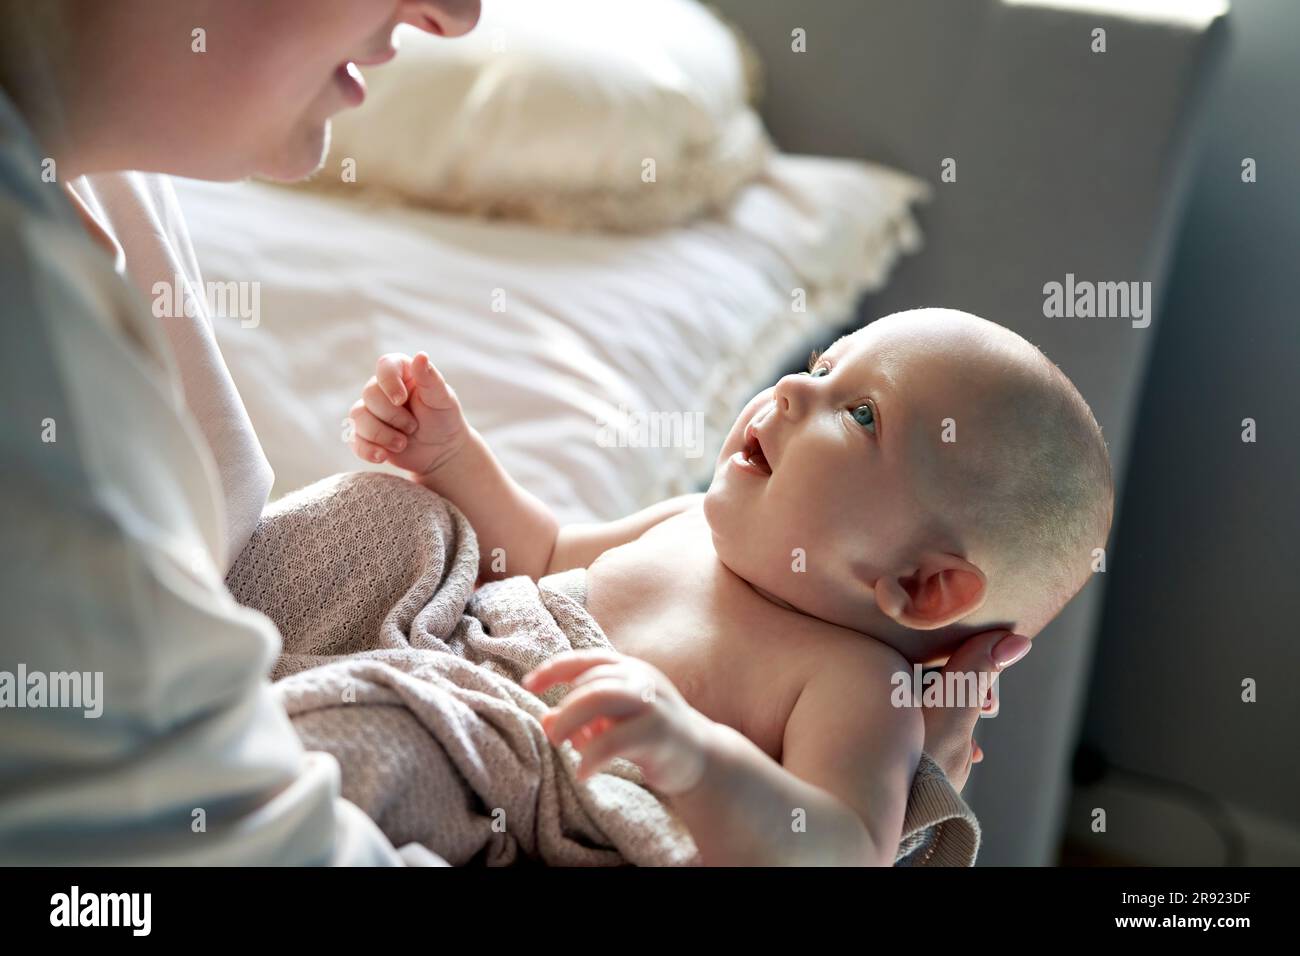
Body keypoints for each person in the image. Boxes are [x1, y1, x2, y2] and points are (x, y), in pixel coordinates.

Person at [0, 0, 1020, 865]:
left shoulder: (867, 690)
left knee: (394, 734)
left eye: (858, 413)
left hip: (511, 754)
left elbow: (833, 845)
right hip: (456, 656)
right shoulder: (688, 531)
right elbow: (534, 550)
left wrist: (707, 770)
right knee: (399, 518)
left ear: (928, 587)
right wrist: (450, 464)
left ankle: (298, 709)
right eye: (816, 369)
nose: (793, 395)